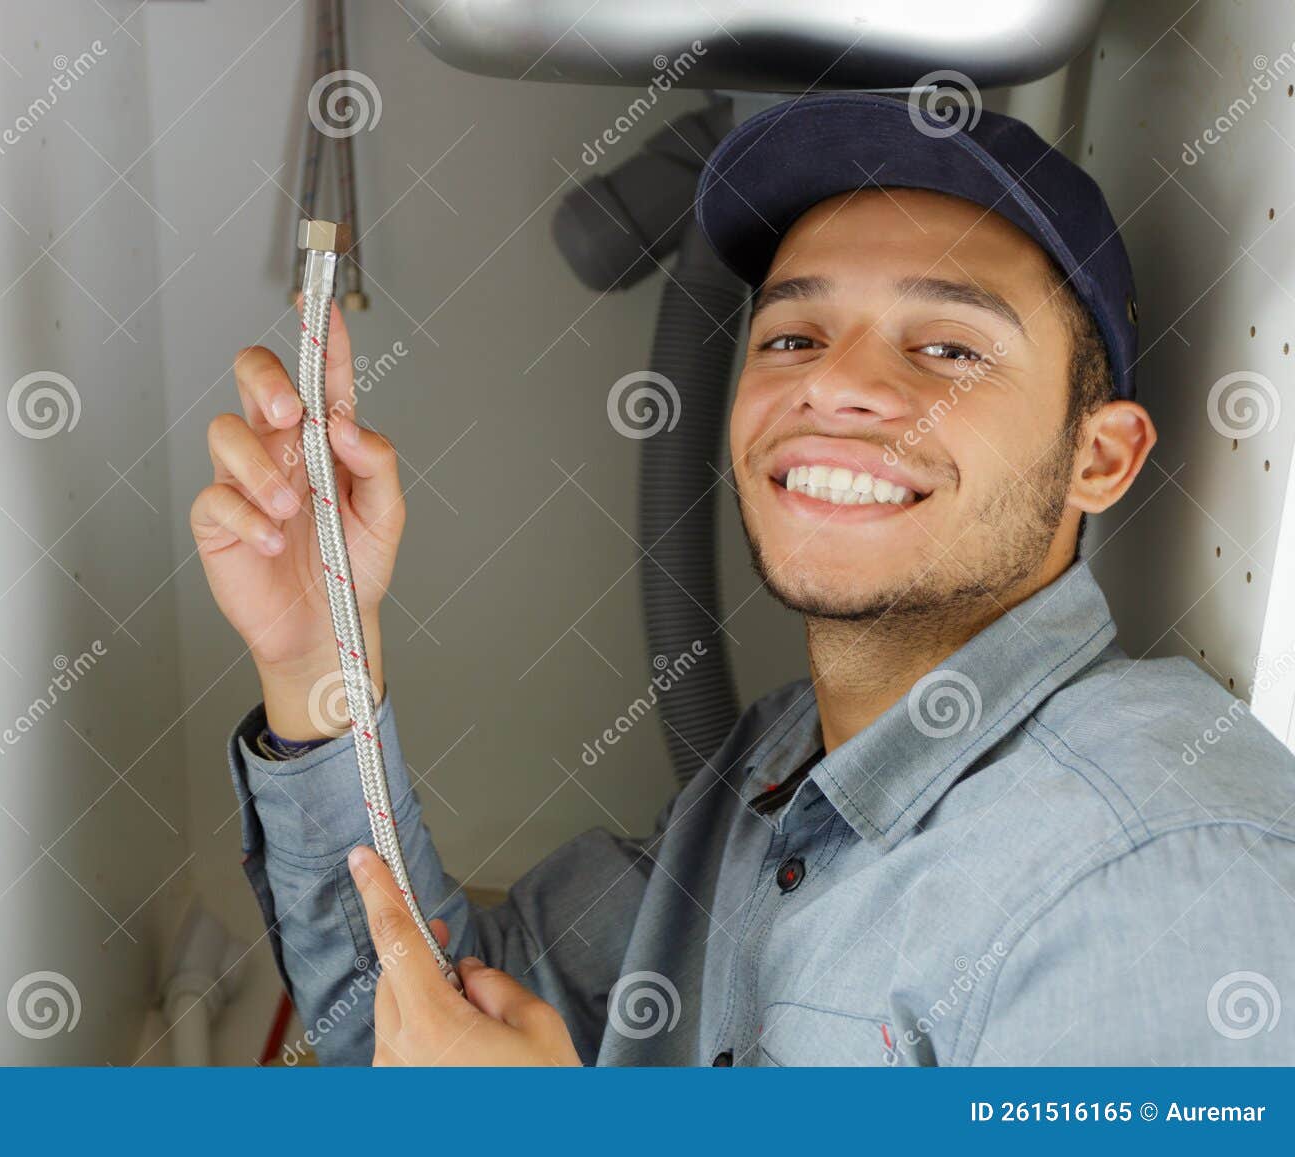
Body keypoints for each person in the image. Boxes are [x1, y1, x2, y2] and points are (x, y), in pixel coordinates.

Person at [191, 93, 1295, 1066]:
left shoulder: (1158, 873)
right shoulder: (766, 774)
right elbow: (418, 1022)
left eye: (949, 348)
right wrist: (317, 656)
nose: (837, 384)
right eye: (792, 335)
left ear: (1098, 458)